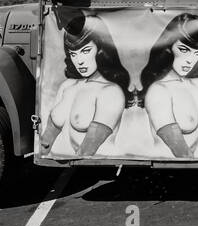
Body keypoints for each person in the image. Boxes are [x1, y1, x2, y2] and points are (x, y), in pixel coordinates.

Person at [40, 13, 130, 155]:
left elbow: (87, 151)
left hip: (93, 166)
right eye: (73, 54)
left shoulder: (111, 92)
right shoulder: (67, 86)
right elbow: (45, 141)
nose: (79, 60)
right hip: (67, 164)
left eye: (86, 51)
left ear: (101, 50)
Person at [140, 13, 198, 158]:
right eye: (184, 50)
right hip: (169, 169)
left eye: (197, 53)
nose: (189, 60)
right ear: (168, 47)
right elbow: (180, 152)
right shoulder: (158, 91)